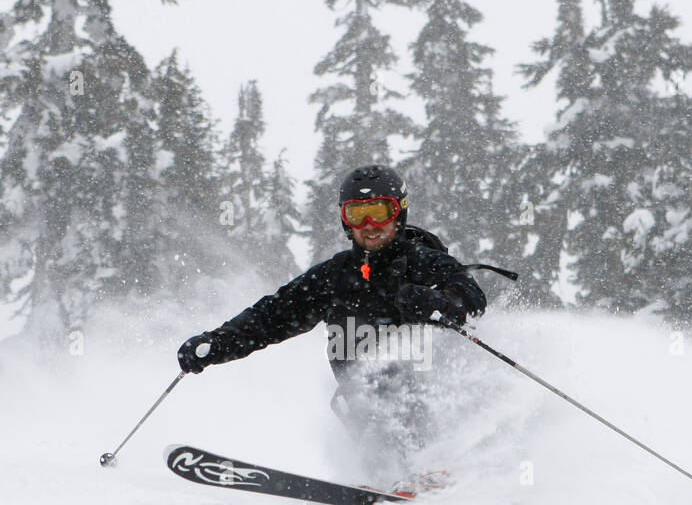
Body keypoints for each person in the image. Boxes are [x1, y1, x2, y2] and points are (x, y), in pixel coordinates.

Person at [176, 164, 487, 479]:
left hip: (429, 399)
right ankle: (384, 476)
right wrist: (217, 343)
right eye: (356, 215)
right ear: (345, 220)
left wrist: (440, 301)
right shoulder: (335, 277)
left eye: (379, 212)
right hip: (362, 410)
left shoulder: (424, 262)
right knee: (362, 399)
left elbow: (469, 295)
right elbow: (272, 315)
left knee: (392, 379)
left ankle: (428, 468)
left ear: (398, 213)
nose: (369, 225)